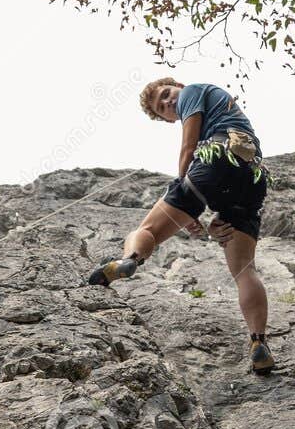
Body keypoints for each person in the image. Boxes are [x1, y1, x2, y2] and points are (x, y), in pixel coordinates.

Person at [86, 77, 275, 374]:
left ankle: (129, 259)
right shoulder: (218, 107)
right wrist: (206, 216)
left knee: (147, 229)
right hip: (251, 178)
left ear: (176, 85)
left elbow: (189, 147)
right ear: (167, 119)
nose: (168, 102)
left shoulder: (192, 91)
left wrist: (186, 197)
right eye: (162, 108)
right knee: (243, 269)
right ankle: (259, 343)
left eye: (166, 94)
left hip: (215, 160)